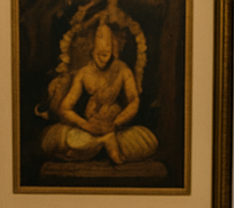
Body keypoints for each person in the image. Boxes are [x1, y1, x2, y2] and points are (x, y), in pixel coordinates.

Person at [41, 21, 158, 165]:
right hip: (88, 130)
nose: (103, 59)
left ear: (113, 51)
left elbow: (134, 100)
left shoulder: (122, 70)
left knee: (147, 141)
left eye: (106, 54)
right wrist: (86, 125)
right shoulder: (84, 73)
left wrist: (116, 123)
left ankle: (92, 147)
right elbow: (65, 108)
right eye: (99, 54)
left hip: (116, 129)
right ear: (92, 51)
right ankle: (102, 142)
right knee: (55, 138)